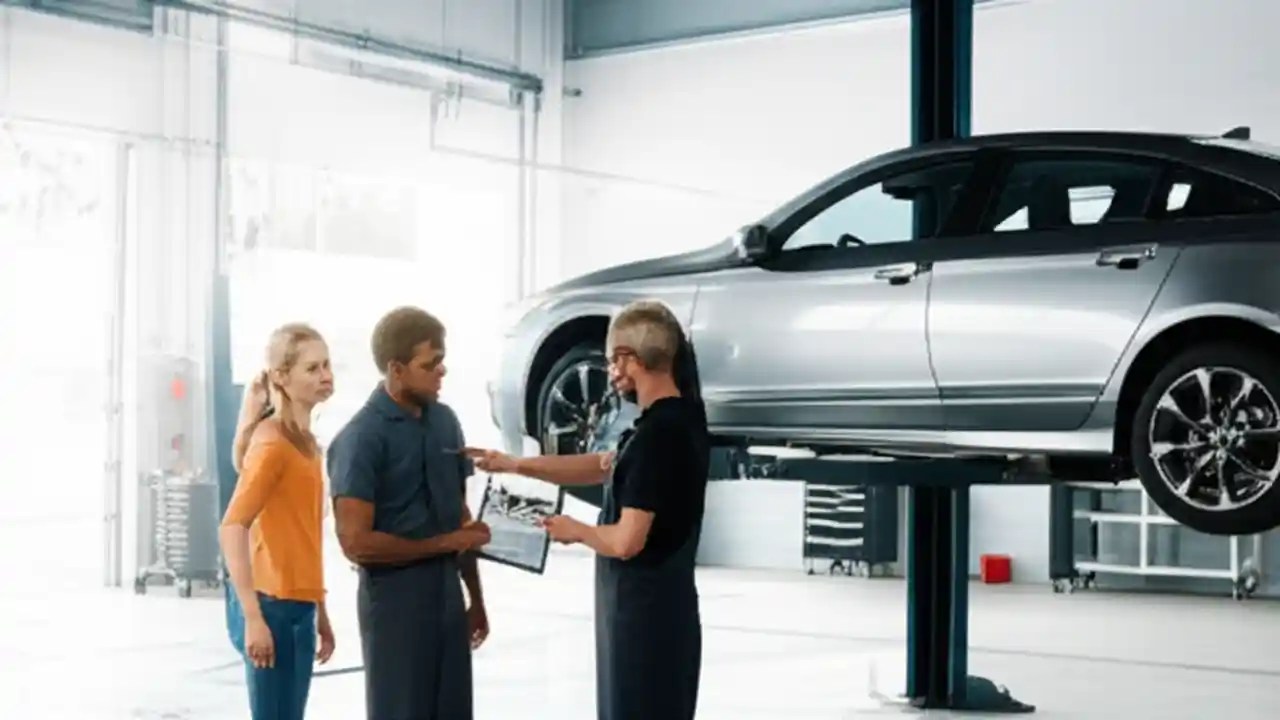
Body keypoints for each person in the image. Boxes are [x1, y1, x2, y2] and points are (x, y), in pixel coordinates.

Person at [467, 299, 711, 720]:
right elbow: (602, 466)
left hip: (644, 619)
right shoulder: (679, 420)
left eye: (613, 361)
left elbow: (626, 540)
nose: (612, 373)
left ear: (629, 359)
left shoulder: (658, 437)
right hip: (666, 613)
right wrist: (513, 463)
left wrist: (574, 529)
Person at [327, 306, 493, 720]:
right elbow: (355, 543)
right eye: (431, 364)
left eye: (442, 361)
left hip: (448, 599)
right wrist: (446, 543)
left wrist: (476, 598)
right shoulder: (360, 439)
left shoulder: (446, 422)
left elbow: (460, 516)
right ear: (396, 369)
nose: (442, 372)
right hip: (395, 605)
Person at [220, 322, 338, 720]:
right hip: (271, 605)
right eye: (312, 368)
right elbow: (232, 526)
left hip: (299, 605)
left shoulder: (307, 446)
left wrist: (319, 609)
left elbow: (304, 535)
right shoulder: (272, 444)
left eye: (327, 365)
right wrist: (253, 618)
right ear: (281, 377)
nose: (326, 375)